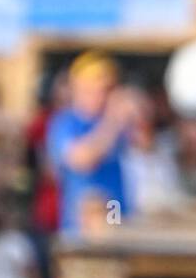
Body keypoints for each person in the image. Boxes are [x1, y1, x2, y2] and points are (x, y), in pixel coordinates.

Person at [46, 52, 137, 235]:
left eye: (107, 89)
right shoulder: (65, 123)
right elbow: (82, 160)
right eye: (94, 89)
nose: (101, 96)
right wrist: (113, 120)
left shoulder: (116, 123)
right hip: (81, 232)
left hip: (118, 223)